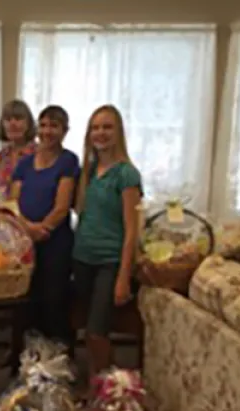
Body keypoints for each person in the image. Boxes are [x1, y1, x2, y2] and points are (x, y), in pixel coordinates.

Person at [72, 104, 142, 380]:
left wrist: (124, 276)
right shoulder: (88, 171)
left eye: (107, 127)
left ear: (118, 132)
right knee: (85, 330)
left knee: (97, 331)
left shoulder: (126, 174)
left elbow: (131, 230)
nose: (101, 133)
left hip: (109, 262)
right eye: (96, 127)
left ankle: (107, 386)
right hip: (82, 258)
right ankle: (102, 384)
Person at [10, 105, 80, 347]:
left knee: (54, 302)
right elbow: (13, 202)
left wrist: (43, 229)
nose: (48, 131)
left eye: (55, 125)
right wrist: (28, 229)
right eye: (44, 125)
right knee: (26, 304)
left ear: (65, 130)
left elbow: (63, 205)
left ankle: (59, 359)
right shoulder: (24, 164)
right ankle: (28, 361)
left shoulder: (68, 161)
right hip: (24, 243)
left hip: (56, 243)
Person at [0, 99, 37, 199]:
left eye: (18, 119)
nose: (12, 123)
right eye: (7, 119)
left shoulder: (39, 155)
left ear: (28, 123)